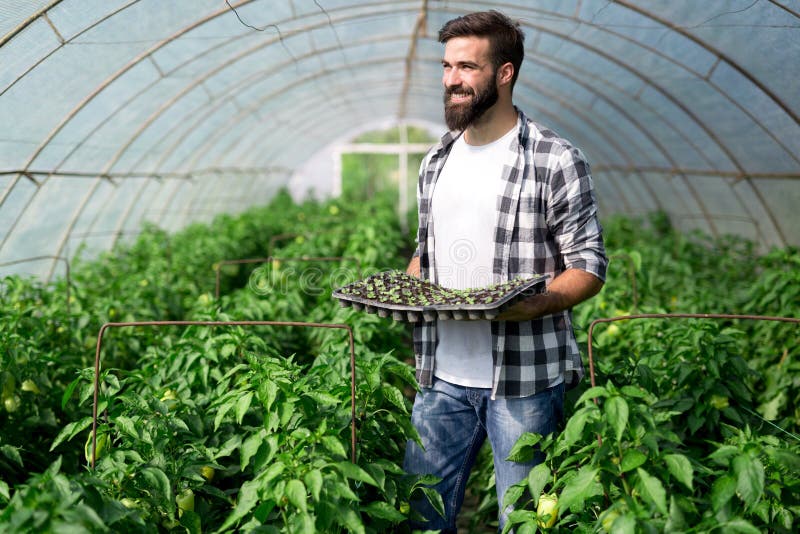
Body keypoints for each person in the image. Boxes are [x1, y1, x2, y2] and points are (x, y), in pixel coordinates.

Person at [403, 10, 608, 532]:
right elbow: (425, 253)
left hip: (524, 379)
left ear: (505, 73)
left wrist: (537, 304)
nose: (452, 79)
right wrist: (405, 290)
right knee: (420, 514)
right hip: (440, 376)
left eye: (467, 67)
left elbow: (588, 264)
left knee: (522, 519)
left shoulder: (554, 158)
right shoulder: (436, 161)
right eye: (447, 66)